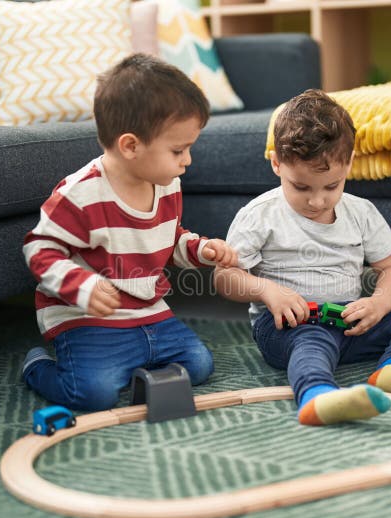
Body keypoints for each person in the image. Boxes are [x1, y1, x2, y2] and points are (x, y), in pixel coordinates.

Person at [214, 89, 391, 426]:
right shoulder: (260, 215)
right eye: (302, 188)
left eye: (331, 186)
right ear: (276, 163)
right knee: (310, 342)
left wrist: (378, 305)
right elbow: (224, 278)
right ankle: (317, 395)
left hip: (350, 323)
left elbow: (390, 270)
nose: (318, 201)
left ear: (349, 163)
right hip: (289, 326)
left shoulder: (361, 212)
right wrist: (266, 291)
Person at [21, 54, 238, 412]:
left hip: (148, 310)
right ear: (131, 146)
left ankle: (129, 358)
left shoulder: (166, 183)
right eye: (178, 150)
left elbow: (169, 239)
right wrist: (82, 286)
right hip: (87, 317)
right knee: (94, 394)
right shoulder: (80, 194)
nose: (188, 161)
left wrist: (201, 250)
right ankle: (37, 367)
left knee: (200, 365)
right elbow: (38, 248)